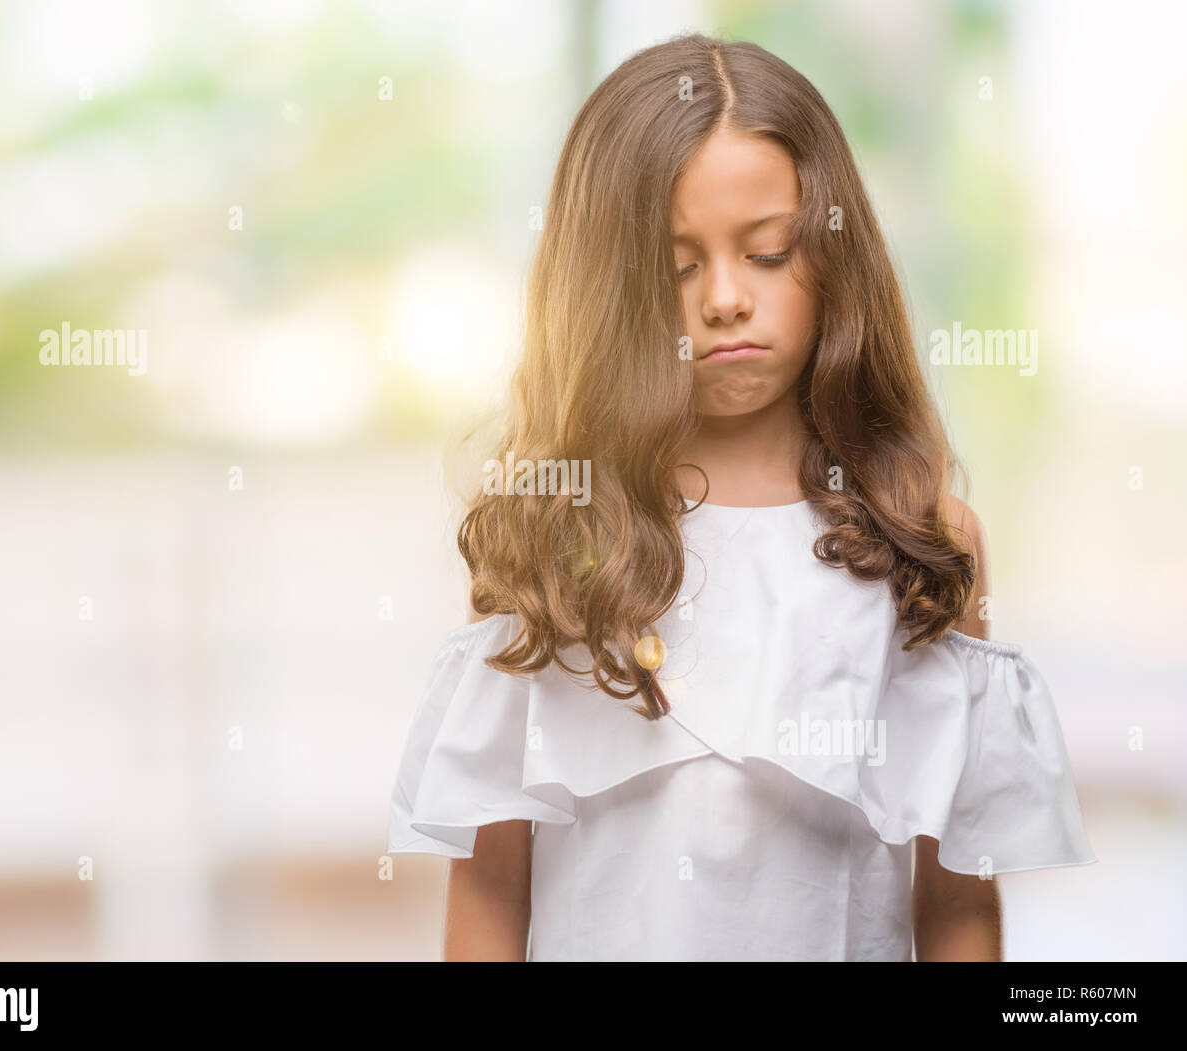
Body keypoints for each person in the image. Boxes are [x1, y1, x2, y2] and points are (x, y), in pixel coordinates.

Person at [386, 32, 1095, 961]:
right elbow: (490, 889)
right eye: (679, 264)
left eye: (768, 252)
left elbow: (959, 904)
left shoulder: (922, 545)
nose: (725, 297)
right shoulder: (554, 536)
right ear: (608, 283)